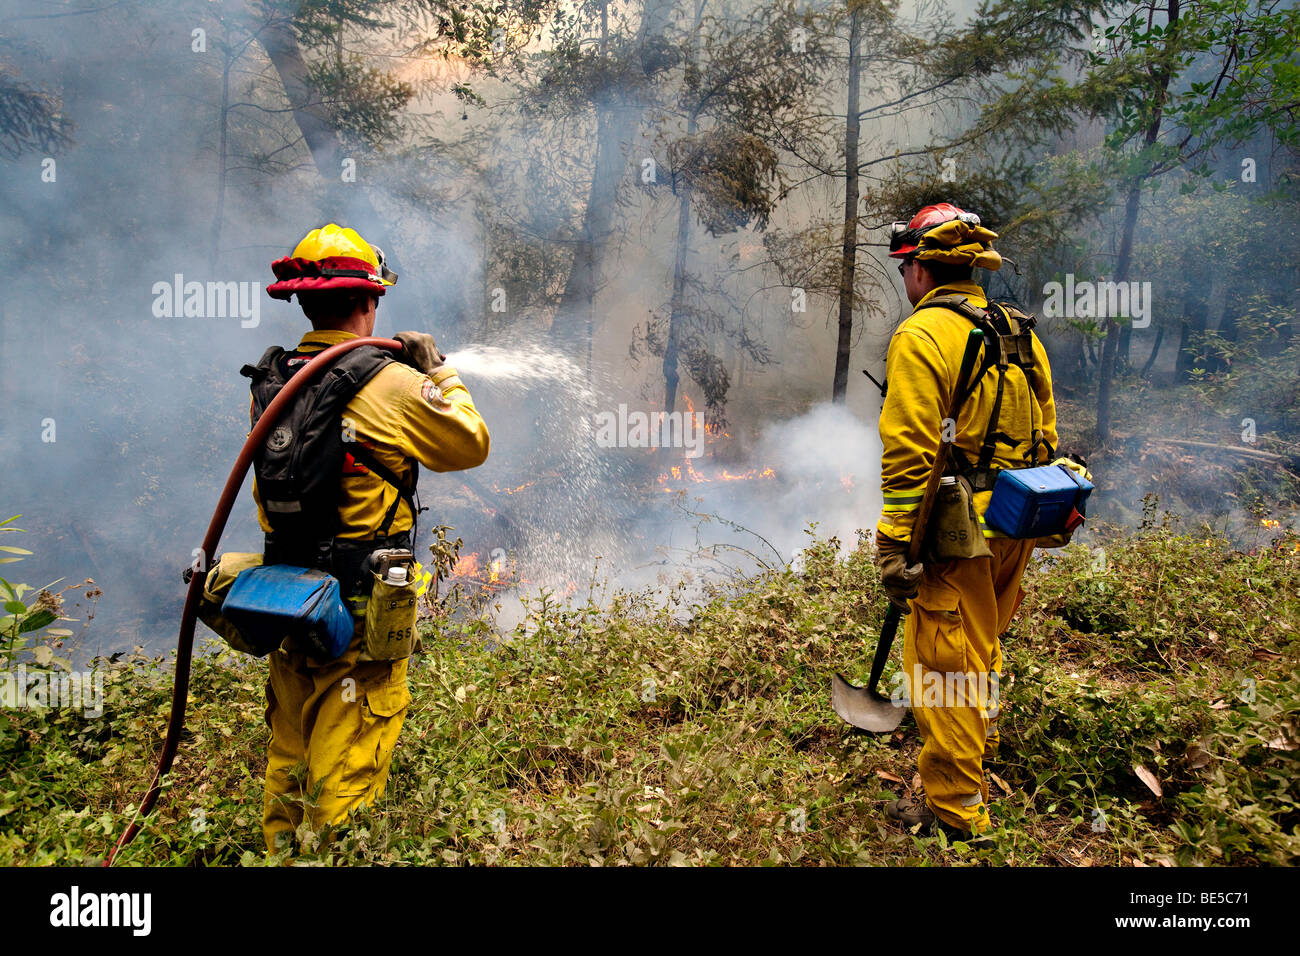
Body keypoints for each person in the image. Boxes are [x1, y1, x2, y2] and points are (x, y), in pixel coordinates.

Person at [254, 223, 490, 853]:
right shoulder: (392, 383)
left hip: (291, 604)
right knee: (348, 771)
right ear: (369, 301)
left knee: (291, 759)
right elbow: (470, 443)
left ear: (303, 300)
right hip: (357, 621)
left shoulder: (276, 381)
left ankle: (280, 856)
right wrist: (438, 371)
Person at [874, 203, 1072, 841]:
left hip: (960, 537)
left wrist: (895, 544)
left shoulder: (923, 335)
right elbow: (1045, 432)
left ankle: (957, 814)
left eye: (906, 267)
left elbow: (912, 451)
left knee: (946, 669)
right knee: (973, 654)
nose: (904, 280)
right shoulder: (1016, 328)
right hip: (1017, 518)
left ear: (924, 270)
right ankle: (958, 766)